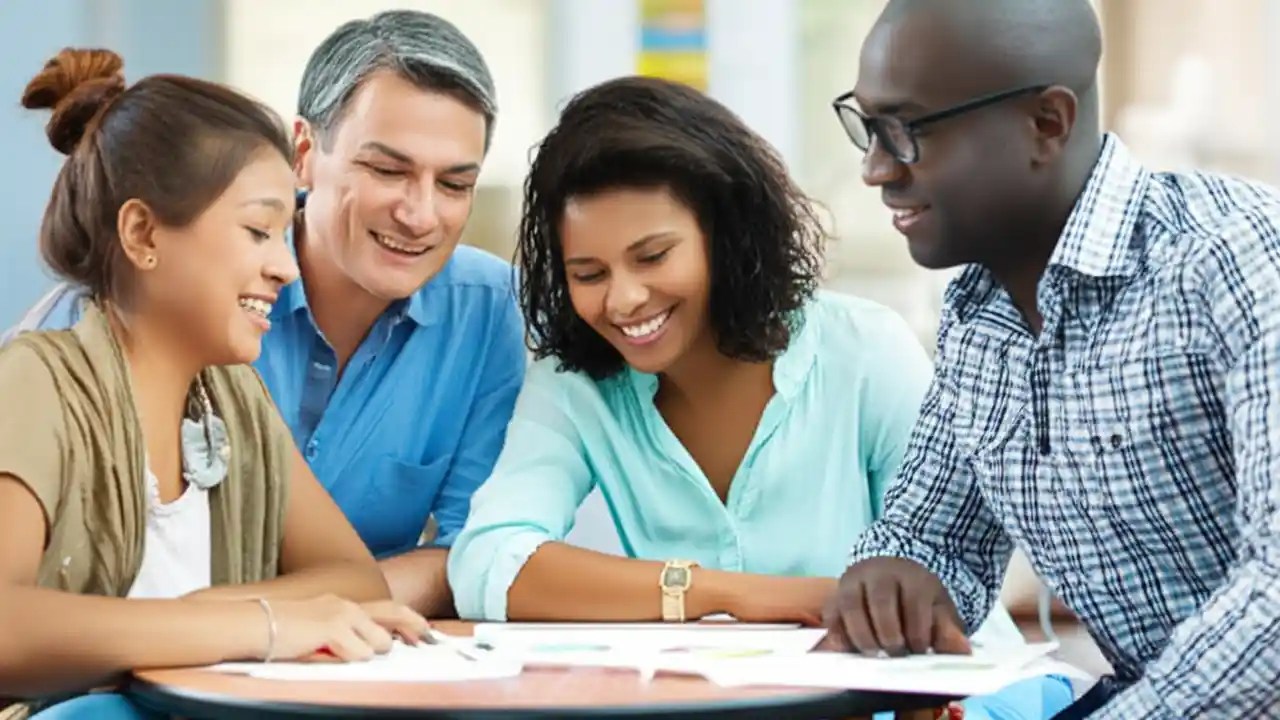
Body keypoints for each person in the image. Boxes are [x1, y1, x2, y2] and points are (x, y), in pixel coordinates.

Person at [446, 76, 1071, 720]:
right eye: (589, 274)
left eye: (653, 256)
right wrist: (737, 595)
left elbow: (949, 574)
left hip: (957, 692)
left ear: (725, 235)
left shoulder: (862, 352)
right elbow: (490, 563)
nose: (623, 299)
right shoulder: (576, 384)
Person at [822, 0, 1280, 717]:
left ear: (1047, 124)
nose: (875, 169)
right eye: (867, 127)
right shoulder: (979, 315)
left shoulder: (1238, 259)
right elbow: (931, 536)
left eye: (905, 132)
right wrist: (893, 574)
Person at [7, 11, 527, 618]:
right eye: (388, 170)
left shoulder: (490, 312)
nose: (420, 214)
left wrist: (272, 622)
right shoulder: (100, 340)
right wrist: (240, 625)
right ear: (305, 152)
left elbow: (476, 552)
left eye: (455, 185)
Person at [0, 49, 431, 720]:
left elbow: (355, 581)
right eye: (258, 231)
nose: (285, 268)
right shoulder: (35, 382)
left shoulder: (237, 403)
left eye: (285, 236)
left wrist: (193, 614)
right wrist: (260, 625)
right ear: (143, 233)